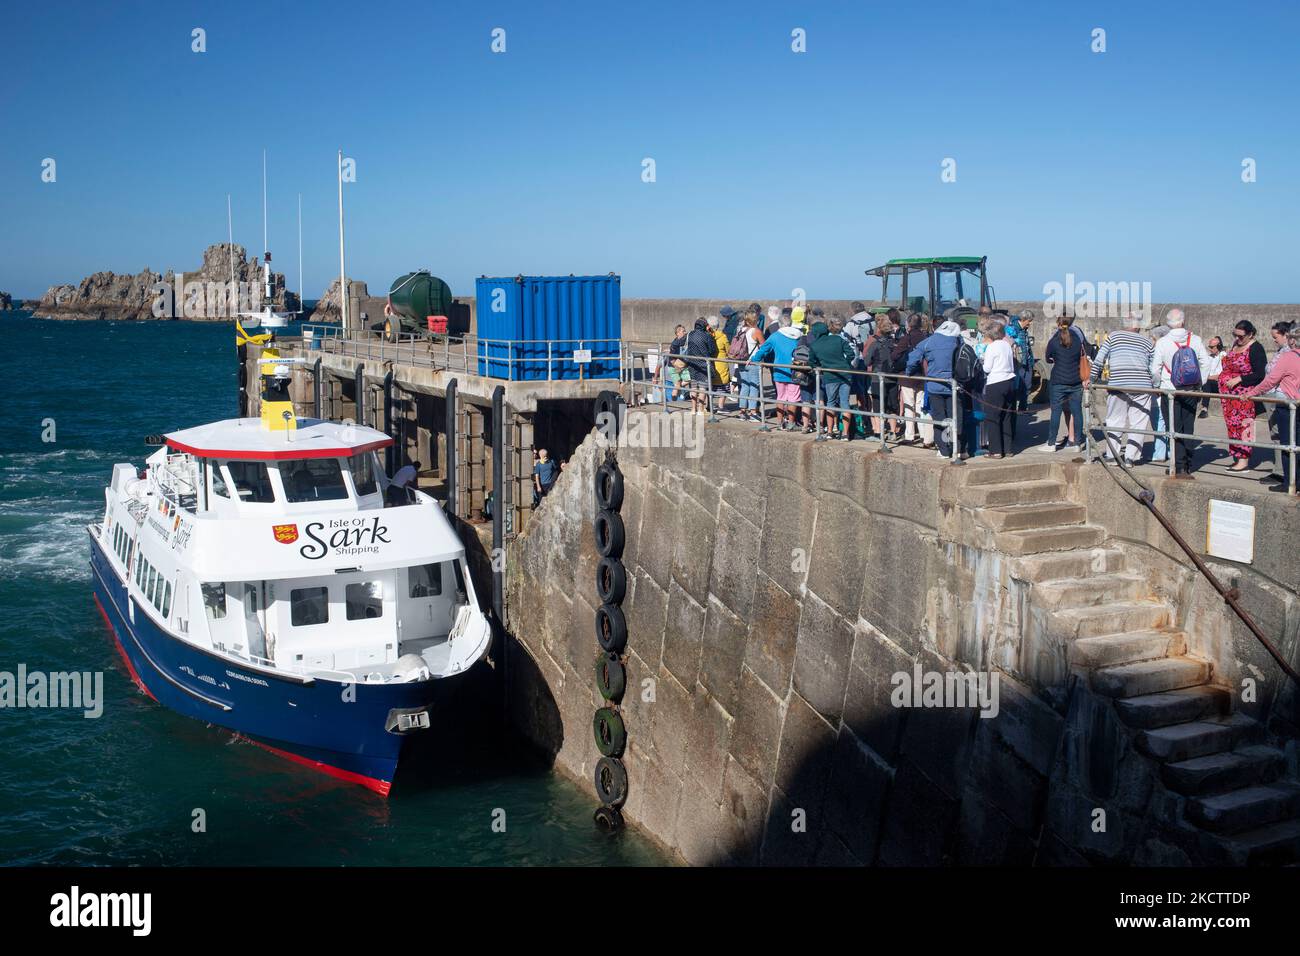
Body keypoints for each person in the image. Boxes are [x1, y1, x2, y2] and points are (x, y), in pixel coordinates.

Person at [1149, 308, 1210, 478]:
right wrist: (1200, 382)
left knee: (1173, 428)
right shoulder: (1195, 340)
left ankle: (1177, 464)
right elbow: (1206, 363)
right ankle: (1187, 464)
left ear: (1168, 324)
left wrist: (1158, 386)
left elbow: (1155, 369)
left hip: (1170, 390)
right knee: (1188, 427)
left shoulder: (1162, 342)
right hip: (1191, 389)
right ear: (1183, 322)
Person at [1239, 325, 1300, 493]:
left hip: (1286, 405)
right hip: (1298, 404)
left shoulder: (1288, 357)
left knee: (1287, 445)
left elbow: (1270, 380)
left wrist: (1250, 393)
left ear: (1292, 339)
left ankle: (1289, 482)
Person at [1088, 312, 1155, 464]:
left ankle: (1112, 456)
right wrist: (1154, 384)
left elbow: (1099, 360)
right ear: (1139, 326)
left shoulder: (1114, 336)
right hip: (1143, 387)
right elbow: (1154, 369)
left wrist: (1092, 379)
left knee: (1115, 421)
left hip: (1118, 384)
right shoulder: (1147, 342)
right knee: (1138, 423)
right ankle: (1130, 458)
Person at [906, 319, 964, 459]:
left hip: (935, 385)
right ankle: (959, 449)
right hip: (955, 385)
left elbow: (913, 359)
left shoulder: (929, 342)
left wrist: (909, 372)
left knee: (939, 418)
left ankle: (944, 450)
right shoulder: (958, 341)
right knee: (956, 417)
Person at [1217, 319, 1269, 472]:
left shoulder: (1256, 348)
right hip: (1229, 398)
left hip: (1244, 396)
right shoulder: (1235, 345)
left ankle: (1244, 460)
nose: (1237, 338)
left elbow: (1260, 373)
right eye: (1235, 335)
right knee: (1232, 427)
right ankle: (1237, 457)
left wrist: (1240, 379)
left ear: (1250, 334)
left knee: (1245, 426)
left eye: (1241, 336)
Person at [749, 313, 805, 430]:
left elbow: (763, 350)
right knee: (793, 399)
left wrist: (754, 359)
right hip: (795, 371)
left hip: (779, 371)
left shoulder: (775, 336)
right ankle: (791, 423)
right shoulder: (799, 335)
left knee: (781, 397)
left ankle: (780, 423)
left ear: (780, 324)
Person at [1041, 315, 1085, 453]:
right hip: (1076, 380)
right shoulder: (1078, 340)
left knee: (1056, 412)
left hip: (1059, 381)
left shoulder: (1054, 341)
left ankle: (1051, 443)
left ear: (1058, 325)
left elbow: (1048, 358)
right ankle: (1077, 443)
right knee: (1077, 412)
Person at [808, 318, 856, 440]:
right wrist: (845, 363)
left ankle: (829, 432)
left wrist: (821, 366)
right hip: (845, 373)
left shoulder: (814, 345)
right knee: (845, 403)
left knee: (831, 402)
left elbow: (812, 362)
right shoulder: (838, 339)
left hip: (830, 376)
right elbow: (851, 354)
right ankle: (845, 433)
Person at [978, 317, 1016, 458]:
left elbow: (987, 368)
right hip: (1009, 380)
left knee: (993, 417)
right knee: (1006, 416)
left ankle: (996, 450)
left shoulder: (992, 347)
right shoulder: (1006, 345)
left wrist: (982, 361)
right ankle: (1008, 448)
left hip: (996, 382)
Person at [1262, 321, 1294, 482]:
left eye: (1276, 337)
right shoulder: (1282, 351)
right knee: (1278, 434)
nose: (1274, 340)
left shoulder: (1288, 353)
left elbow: (1275, 377)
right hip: (1272, 396)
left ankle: (1281, 472)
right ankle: (1281, 469)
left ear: (1286, 335)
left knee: (1280, 434)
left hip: (1278, 396)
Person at [892, 313, 928, 445]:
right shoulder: (925, 337)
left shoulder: (906, 339)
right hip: (922, 375)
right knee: (920, 406)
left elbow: (895, 356)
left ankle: (910, 436)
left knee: (909, 406)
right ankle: (924, 435)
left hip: (907, 376)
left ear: (908, 325)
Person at [734, 313, 765, 421]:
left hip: (741, 362)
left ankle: (742, 412)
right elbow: (764, 347)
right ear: (755, 321)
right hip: (752, 362)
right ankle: (753, 412)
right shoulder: (756, 331)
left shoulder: (741, 330)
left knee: (745, 386)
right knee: (754, 386)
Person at [685, 318, 717, 413]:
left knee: (694, 387)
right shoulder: (707, 335)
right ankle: (700, 409)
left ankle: (693, 409)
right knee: (703, 388)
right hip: (704, 365)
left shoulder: (690, 334)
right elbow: (712, 350)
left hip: (692, 364)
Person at [1199, 336, 1224, 418]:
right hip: (1209, 383)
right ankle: (1204, 409)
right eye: (1209, 347)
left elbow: (1220, 376)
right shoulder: (1209, 357)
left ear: (1219, 346)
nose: (1210, 349)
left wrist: (1207, 377)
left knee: (1207, 382)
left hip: (1220, 384)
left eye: (1212, 347)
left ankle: (1204, 409)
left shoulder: (1223, 356)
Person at [706, 315, 731, 395]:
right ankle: (721, 407)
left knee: (710, 388)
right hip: (721, 364)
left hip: (710, 364)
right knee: (723, 388)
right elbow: (729, 350)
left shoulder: (706, 336)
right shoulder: (723, 337)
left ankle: (708, 406)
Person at [665, 324, 690, 402]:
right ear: (678, 333)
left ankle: (675, 394)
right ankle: (674, 401)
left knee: (683, 382)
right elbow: (671, 358)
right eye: (683, 331)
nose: (685, 332)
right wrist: (677, 367)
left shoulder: (682, 341)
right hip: (673, 366)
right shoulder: (675, 343)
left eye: (685, 330)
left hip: (679, 365)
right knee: (680, 383)